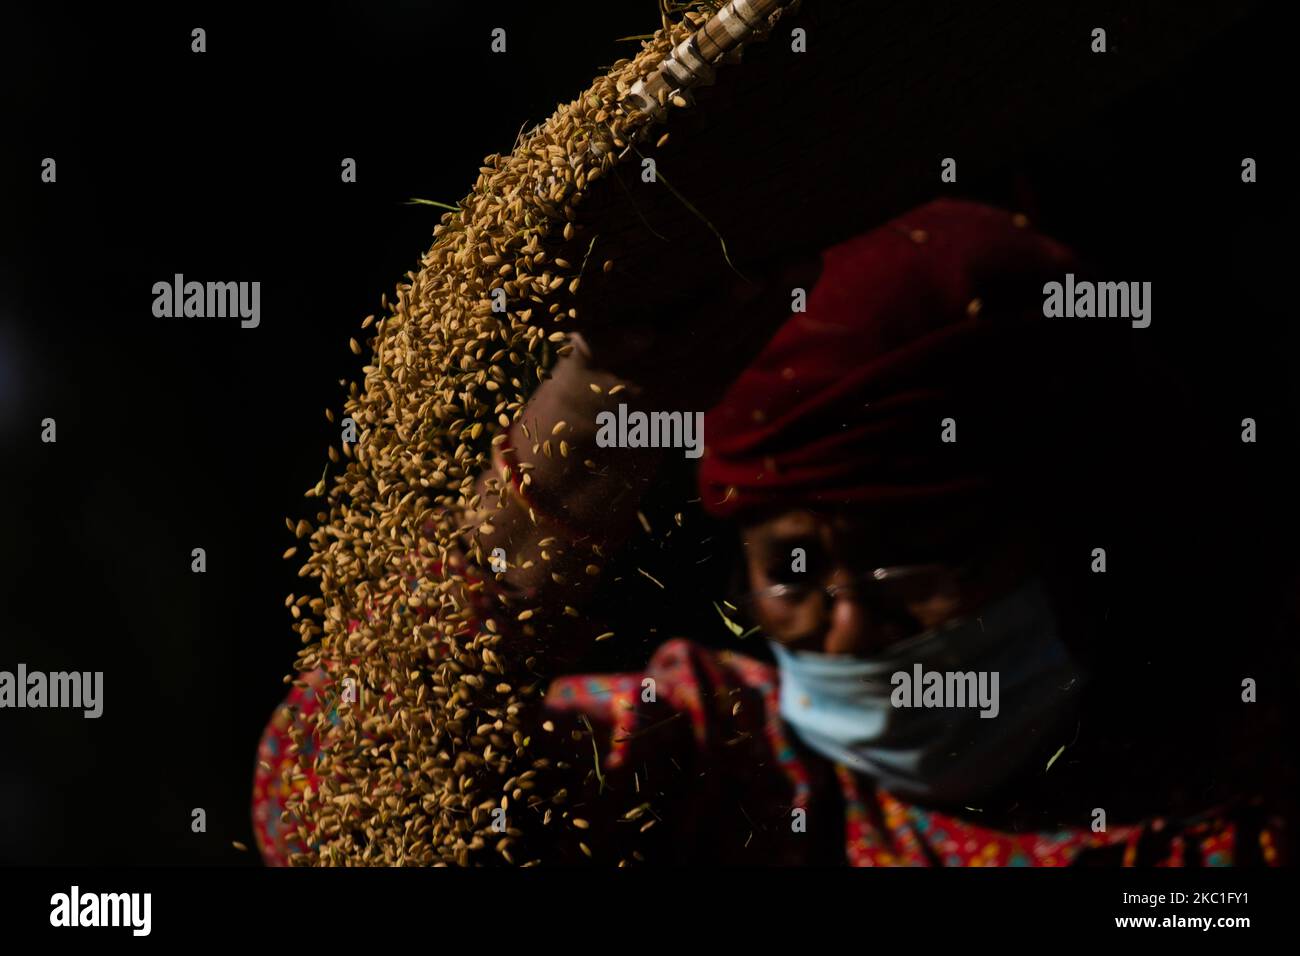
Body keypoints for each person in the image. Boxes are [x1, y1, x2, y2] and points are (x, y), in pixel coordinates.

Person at [253, 198, 1290, 866]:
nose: (846, 623)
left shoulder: (1236, 796)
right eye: (791, 566)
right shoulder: (733, 776)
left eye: (918, 554)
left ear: (1072, 533)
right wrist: (586, 419)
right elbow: (331, 809)